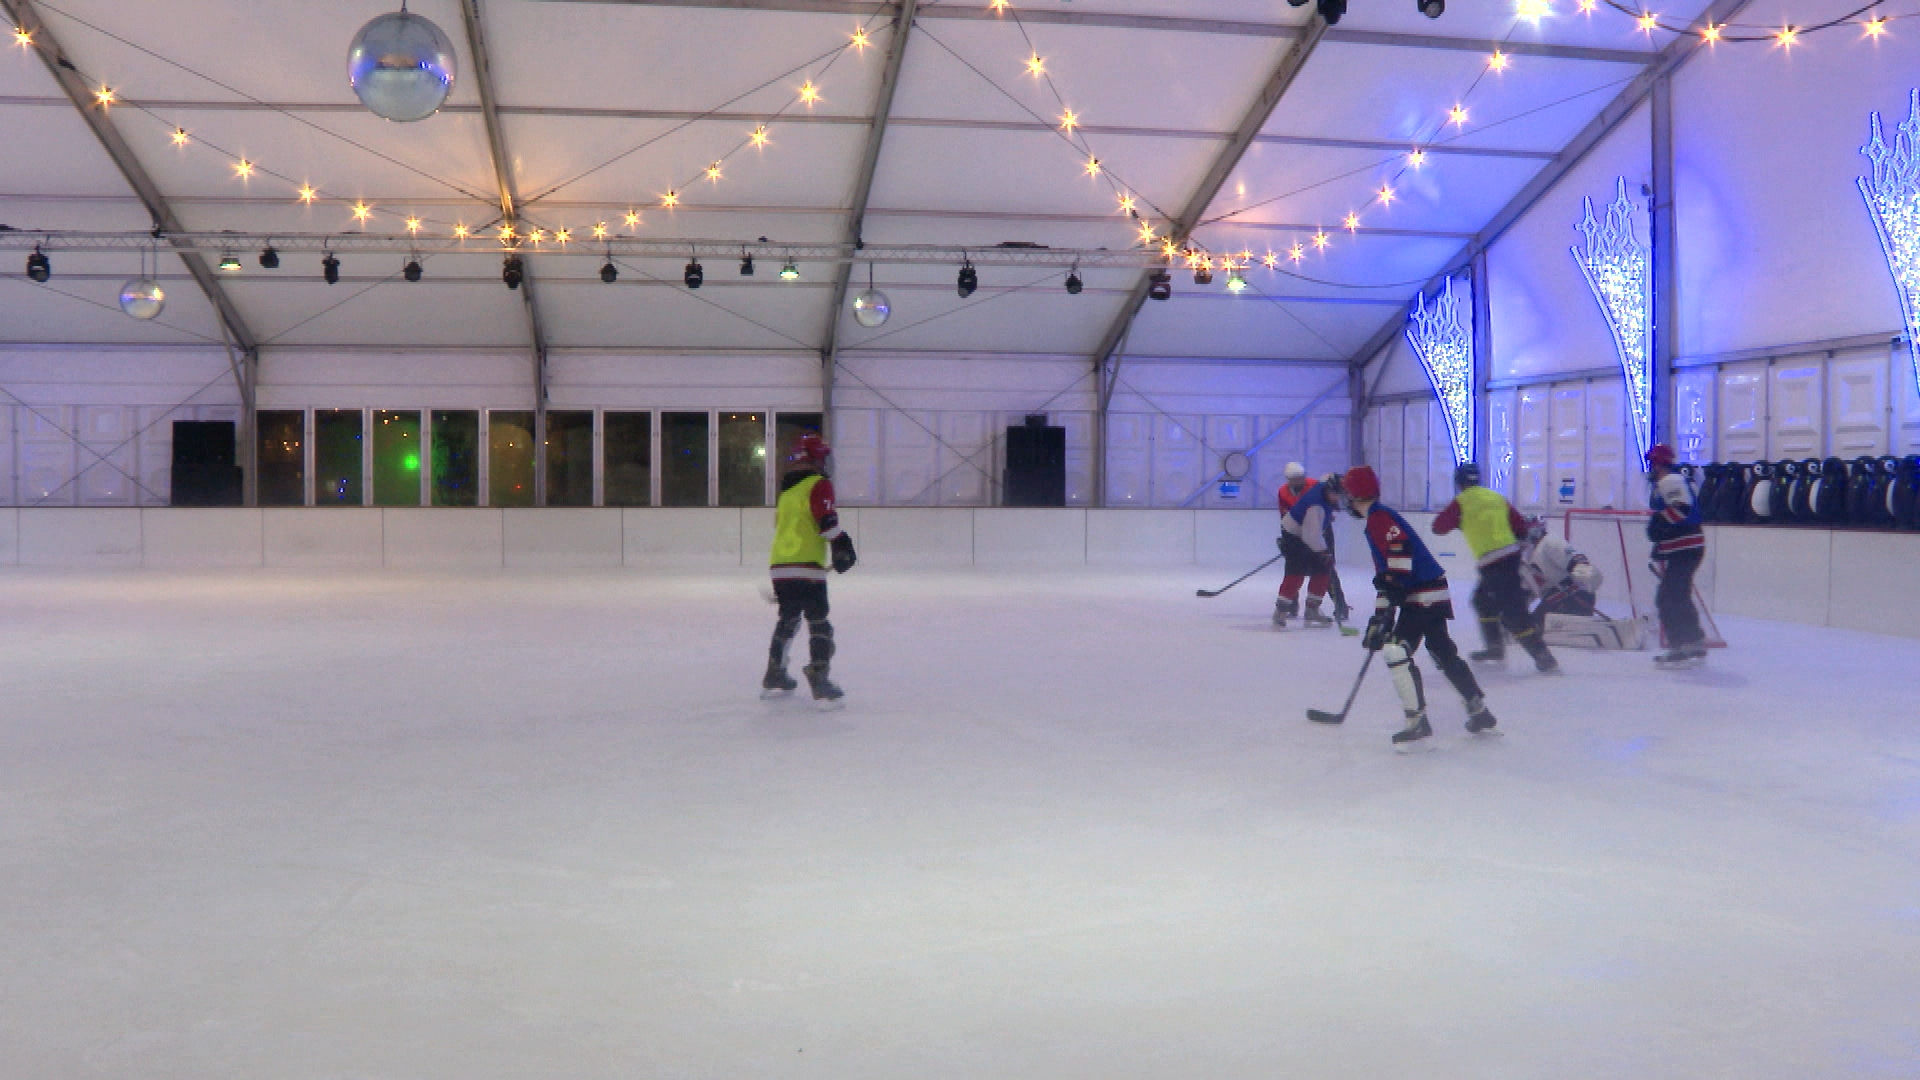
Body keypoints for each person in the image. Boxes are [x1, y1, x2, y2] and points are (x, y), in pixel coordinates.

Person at [1335, 464, 1496, 745]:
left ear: (1356, 494)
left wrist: (1392, 595)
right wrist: (1380, 616)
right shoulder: (1378, 518)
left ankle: (1416, 720)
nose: (1346, 500)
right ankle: (1479, 710)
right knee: (1441, 650)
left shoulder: (1379, 518)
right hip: (1429, 591)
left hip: (1422, 594)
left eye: (1347, 494)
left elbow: (1400, 552)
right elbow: (1387, 577)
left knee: (1396, 651)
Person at [1431, 462, 1560, 675]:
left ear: (1459, 482)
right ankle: (1495, 647)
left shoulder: (1461, 502)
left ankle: (1543, 656)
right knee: (1482, 600)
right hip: (1510, 557)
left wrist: (1461, 523)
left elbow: (1438, 527)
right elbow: (1520, 525)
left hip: (1492, 562)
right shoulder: (1496, 497)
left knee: (1513, 611)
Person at [763, 433, 858, 703]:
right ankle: (819, 676)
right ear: (816, 459)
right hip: (807, 567)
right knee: (818, 622)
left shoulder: (787, 492)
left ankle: (775, 672)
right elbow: (826, 522)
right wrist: (841, 544)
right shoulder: (819, 484)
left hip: (779, 566)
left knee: (788, 619)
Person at [1645, 443, 1708, 669]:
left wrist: (1660, 526)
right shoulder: (1670, 481)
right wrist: (1662, 542)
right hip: (1686, 548)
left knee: (1668, 598)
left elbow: (1681, 509)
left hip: (1686, 548)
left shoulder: (1670, 481)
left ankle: (1680, 645)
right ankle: (1694, 641)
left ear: (1658, 464)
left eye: (1652, 463)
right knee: (1678, 595)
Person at [1274, 465, 1339, 628]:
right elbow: (1311, 536)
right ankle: (1281, 610)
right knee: (1296, 572)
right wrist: (1324, 553)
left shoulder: (1320, 489)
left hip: (1307, 530)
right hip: (1294, 534)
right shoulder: (1316, 505)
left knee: (1322, 570)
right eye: (1336, 494)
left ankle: (1312, 609)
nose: (1338, 498)